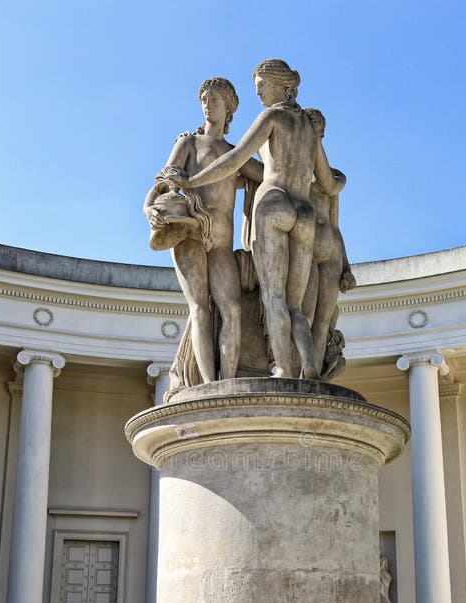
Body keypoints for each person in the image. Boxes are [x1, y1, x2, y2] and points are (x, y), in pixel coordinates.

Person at [173, 59, 343, 379]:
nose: (259, 92)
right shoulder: (309, 128)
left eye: (262, 85)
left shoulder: (271, 116)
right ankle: (308, 363)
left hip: (275, 202)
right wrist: (342, 180)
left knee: (274, 296)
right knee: (295, 305)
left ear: (280, 84)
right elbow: (328, 184)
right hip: (304, 212)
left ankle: (284, 367)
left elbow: (236, 159)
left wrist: (192, 181)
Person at [143, 77, 261, 381]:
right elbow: (161, 184)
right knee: (199, 310)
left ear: (228, 107)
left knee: (232, 310)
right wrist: (149, 210)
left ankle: (227, 382)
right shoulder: (189, 143)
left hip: (221, 240)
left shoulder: (236, 154)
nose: (208, 105)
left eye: (214, 100)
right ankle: (208, 385)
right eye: (204, 100)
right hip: (189, 234)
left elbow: (269, 176)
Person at [301, 108, 356, 373]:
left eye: (319, 134)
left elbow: (335, 224)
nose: (315, 138)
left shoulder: (334, 177)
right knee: (306, 313)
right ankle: (302, 369)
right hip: (306, 246)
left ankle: (313, 377)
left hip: (331, 249)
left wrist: (347, 266)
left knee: (323, 320)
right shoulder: (294, 173)